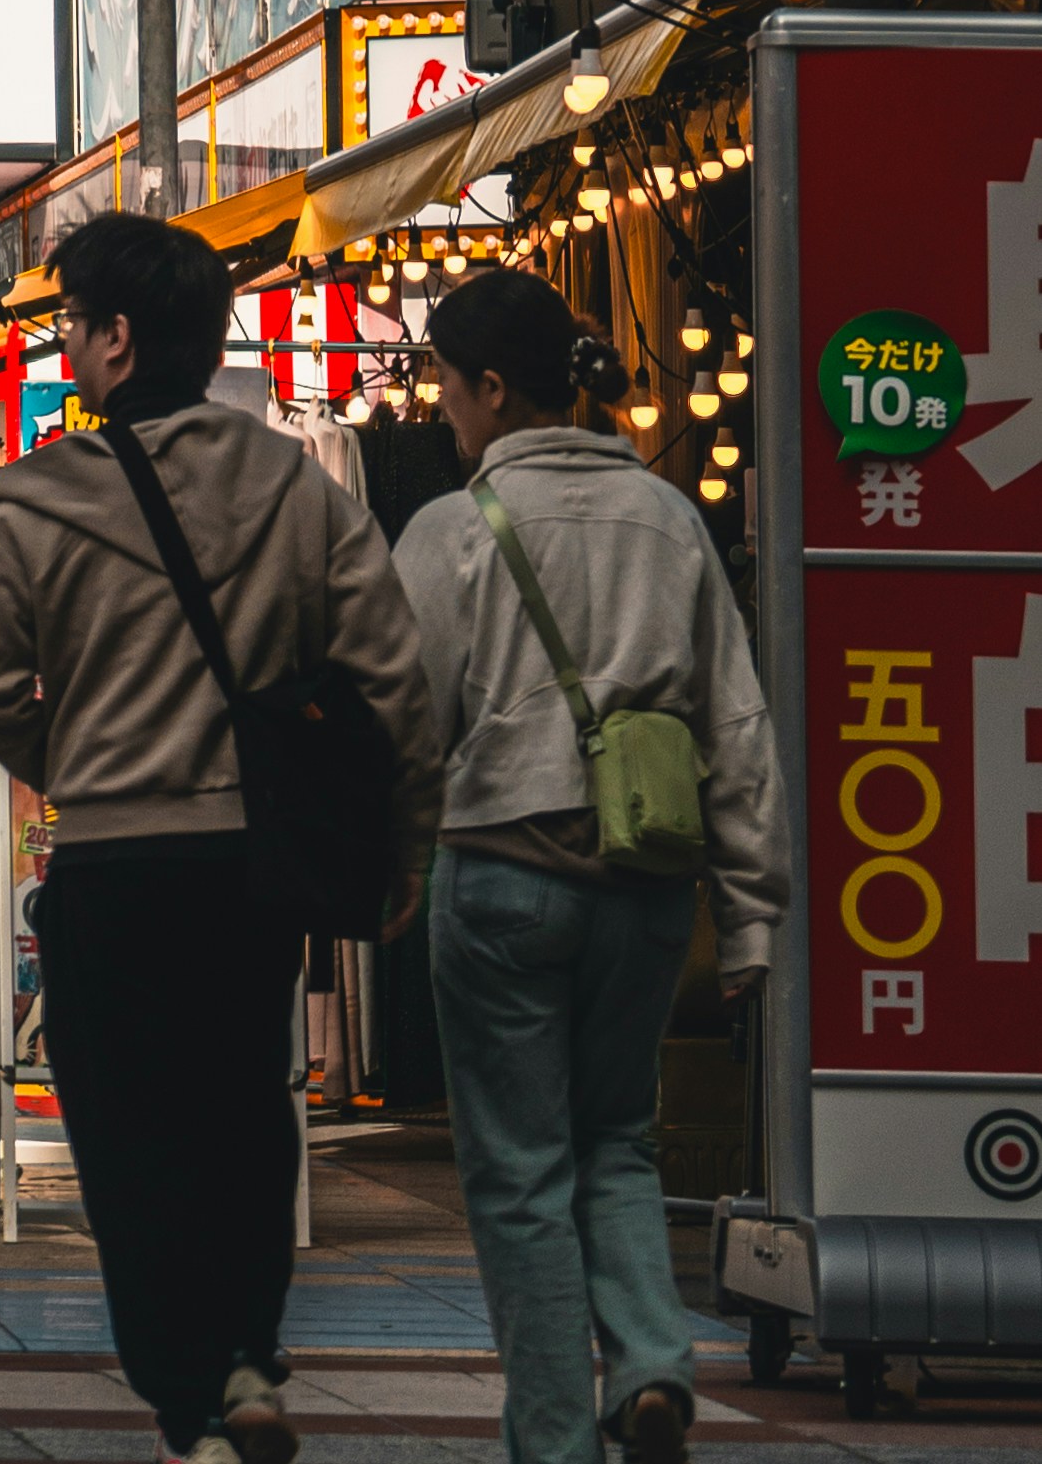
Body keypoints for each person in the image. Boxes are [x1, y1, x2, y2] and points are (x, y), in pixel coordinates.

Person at [0, 208, 438, 1464]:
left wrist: (80, 765)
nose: (66, 345)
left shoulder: (33, 497)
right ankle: (253, 1354)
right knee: (241, 1114)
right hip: (248, 867)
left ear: (114, 339)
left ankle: (191, 1393)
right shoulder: (290, 480)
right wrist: (409, 845)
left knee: (124, 1133)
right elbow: (394, 671)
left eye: (71, 324)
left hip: (112, 862)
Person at [400, 265, 786, 1464]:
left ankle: (559, 1434)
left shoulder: (454, 528)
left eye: (448, 390)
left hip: (503, 877)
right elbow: (738, 725)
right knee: (618, 1138)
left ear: (493, 385)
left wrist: (383, 865)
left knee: (520, 1171)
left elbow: (407, 719)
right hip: (647, 887)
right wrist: (755, 915)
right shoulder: (668, 517)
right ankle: (657, 1368)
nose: (445, 413)